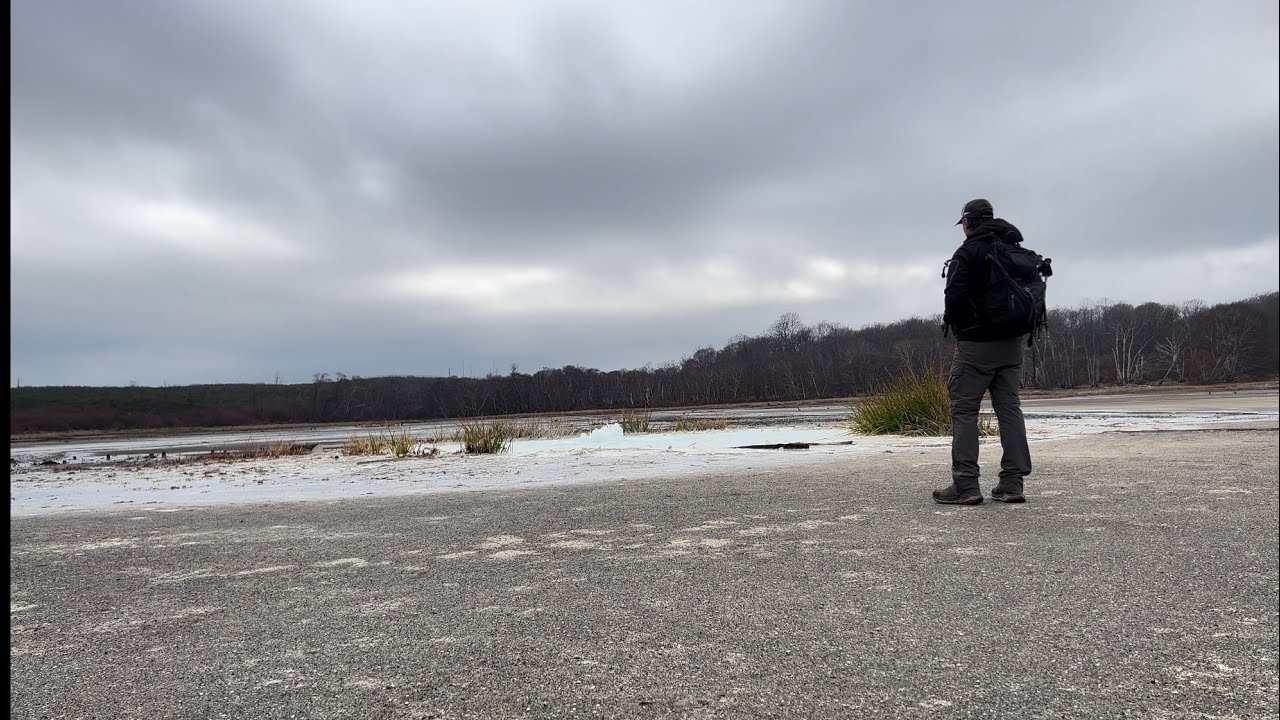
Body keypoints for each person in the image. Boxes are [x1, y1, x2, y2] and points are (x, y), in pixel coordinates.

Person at [934, 198, 1031, 505]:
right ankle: (1012, 483)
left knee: (964, 411)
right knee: (1009, 409)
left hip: (976, 345)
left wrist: (967, 328)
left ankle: (966, 485)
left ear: (966, 223)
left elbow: (954, 299)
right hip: (1012, 344)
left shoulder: (968, 252)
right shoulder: (1013, 250)